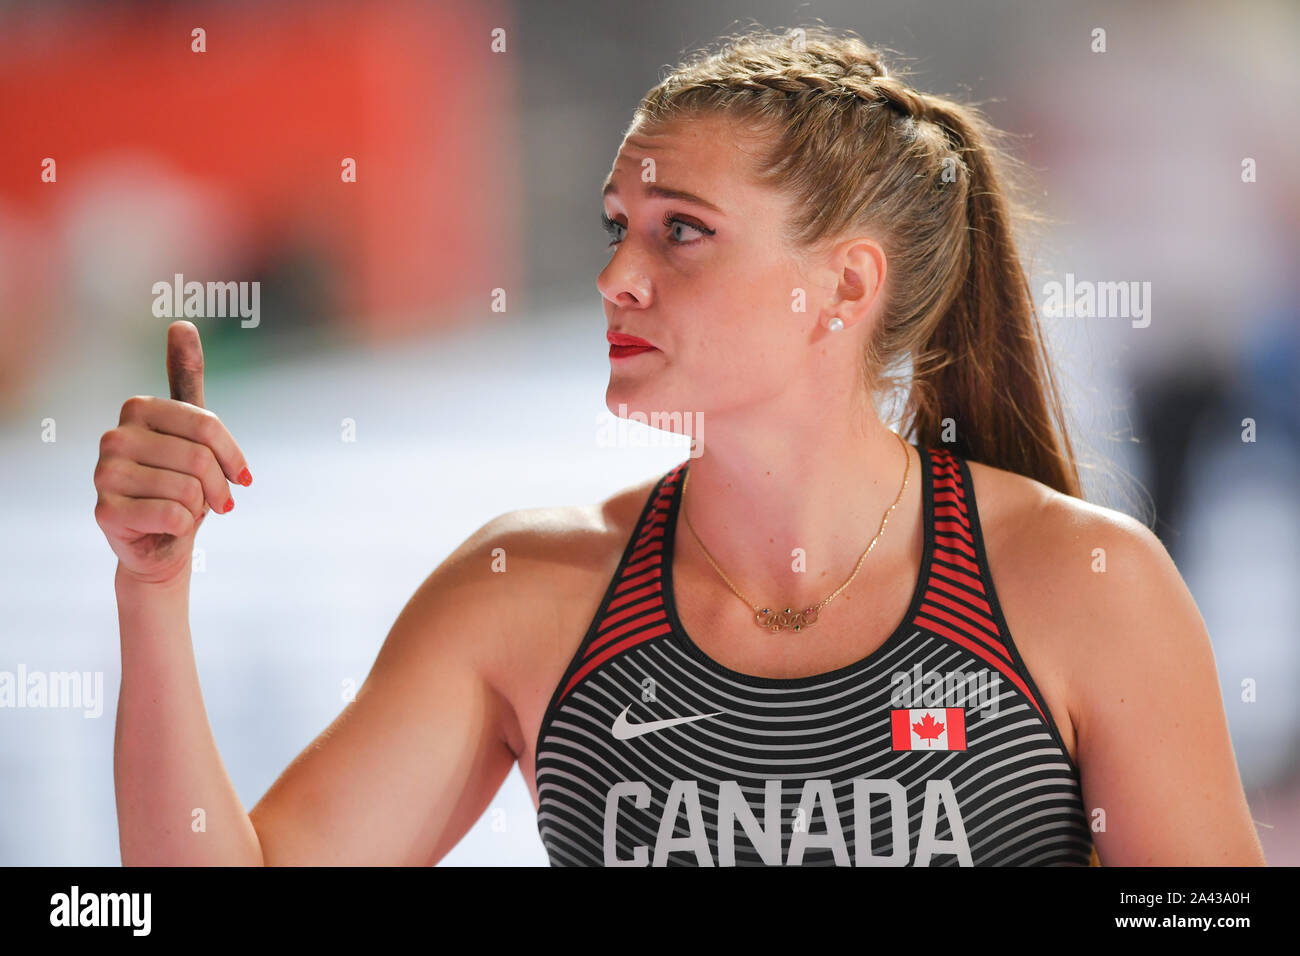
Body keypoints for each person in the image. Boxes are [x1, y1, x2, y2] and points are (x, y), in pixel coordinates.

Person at [94, 26, 1266, 866]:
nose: (616, 277)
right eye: (618, 228)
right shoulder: (525, 593)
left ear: (843, 284)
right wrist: (152, 587)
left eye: (681, 232)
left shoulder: (1083, 583)